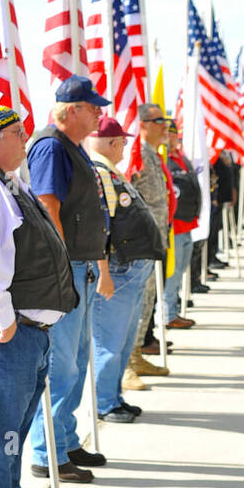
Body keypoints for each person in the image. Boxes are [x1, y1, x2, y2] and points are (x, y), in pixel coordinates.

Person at [0, 105, 76, 488]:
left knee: (16, 427)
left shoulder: (9, 182)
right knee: (2, 429)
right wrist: (4, 321)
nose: (25, 137)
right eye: (16, 132)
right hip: (13, 333)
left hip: (32, 332)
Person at [26, 76, 112, 482]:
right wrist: (61, 270)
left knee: (78, 360)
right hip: (67, 270)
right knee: (62, 367)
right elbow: (48, 207)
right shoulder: (50, 147)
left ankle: (66, 439)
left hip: (82, 267)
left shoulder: (73, 146)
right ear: (71, 109)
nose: (100, 113)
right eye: (93, 107)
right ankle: (48, 453)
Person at [89, 116, 166, 421]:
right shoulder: (99, 173)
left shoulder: (109, 171)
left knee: (121, 339)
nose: (125, 147)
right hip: (117, 271)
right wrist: (104, 273)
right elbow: (100, 227)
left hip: (128, 269)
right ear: (113, 143)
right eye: (122, 141)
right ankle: (105, 403)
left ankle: (114, 398)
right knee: (110, 341)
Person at [126, 104, 175, 382]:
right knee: (136, 303)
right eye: (159, 120)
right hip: (140, 246)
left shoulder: (152, 155)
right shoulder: (137, 155)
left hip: (155, 241)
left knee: (147, 302)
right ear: (143, 123)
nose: (165, 126)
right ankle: (126, 366)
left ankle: (136, 355)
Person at [164, 122, 201, 329]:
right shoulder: (164, 160)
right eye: (167, 133)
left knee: (180, 272)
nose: (170, 137)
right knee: (173, 272)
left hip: (187, 225)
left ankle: (173, 310)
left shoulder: (181, 158)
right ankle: (168, 315)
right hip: (174, 227)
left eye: (173, 133)